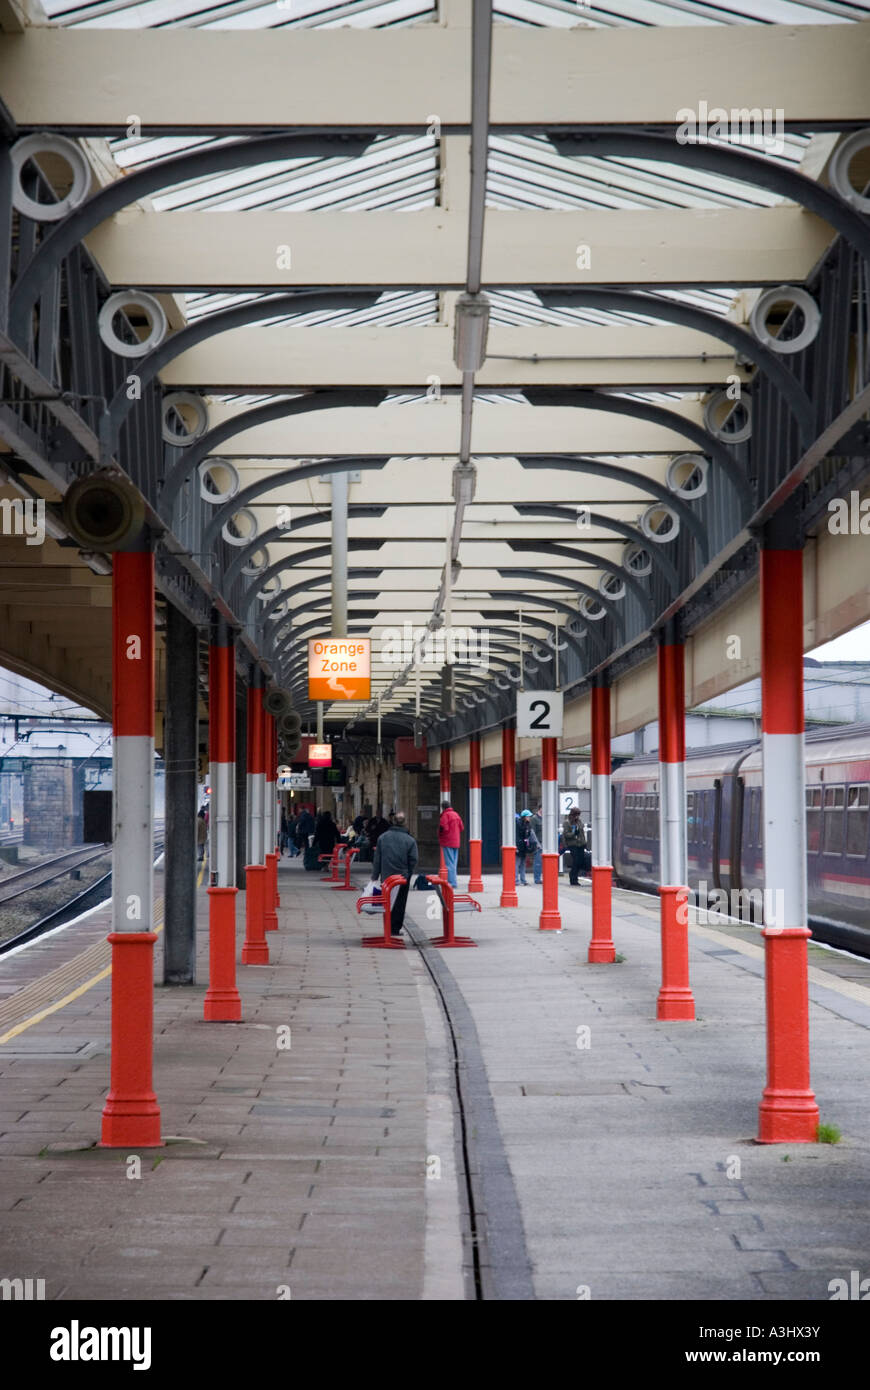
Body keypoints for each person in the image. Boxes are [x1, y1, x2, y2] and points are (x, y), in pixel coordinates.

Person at [372, 812, 419, 937]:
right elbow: (413, 859)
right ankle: (395, 928)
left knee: (387, 901)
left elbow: (377, 859)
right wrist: (409, 872)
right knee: (400, 902)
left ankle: (387, 926)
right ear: (405, 823)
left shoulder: (383, 837)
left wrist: (374, 877)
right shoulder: (410, 840)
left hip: (386, 876)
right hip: (402, 877)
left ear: (393, 822)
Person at [438, 800, 463, 888]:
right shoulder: (456, 814)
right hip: (456, 841)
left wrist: (439, 836)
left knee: (449, 864)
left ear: (443, 807)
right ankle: (453, 881)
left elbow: (443, 828)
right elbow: (461, 827)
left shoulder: (445, 815)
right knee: (453, 863)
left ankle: (452, 883)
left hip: (447, 841)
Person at [563, 806, 588, 885]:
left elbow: (582, 833)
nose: (577, 816)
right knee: (576, 861)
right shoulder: (567, 822)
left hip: (581, 844)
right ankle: (573, 878)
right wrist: (573, 834)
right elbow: (566, 834)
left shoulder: (579, 821)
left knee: (580, 861)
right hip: (573, 845)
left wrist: (585, 843)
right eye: (576, 815)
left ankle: (574, 877)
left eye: (578, 815)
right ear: (572, 814)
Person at [516, 809, 538, 885]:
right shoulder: (518, 824)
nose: (529, 818)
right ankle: (516, 880)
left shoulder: (528, 824)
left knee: (523, 864)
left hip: (524, 846)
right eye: (528, 816)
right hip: (519, 846)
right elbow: (517, 835)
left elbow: (529, 835)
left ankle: (523, 880)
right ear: (524, 817)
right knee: (517, 863)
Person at [530, 804, 543, 885]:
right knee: (538, 861)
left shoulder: (545, 818)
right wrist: (536, 843)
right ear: (540, 809)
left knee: (543, 862)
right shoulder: (534, 819)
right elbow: (532, 832)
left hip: (545, 842)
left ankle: (541, 877)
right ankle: (537, 878)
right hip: (538, 843)